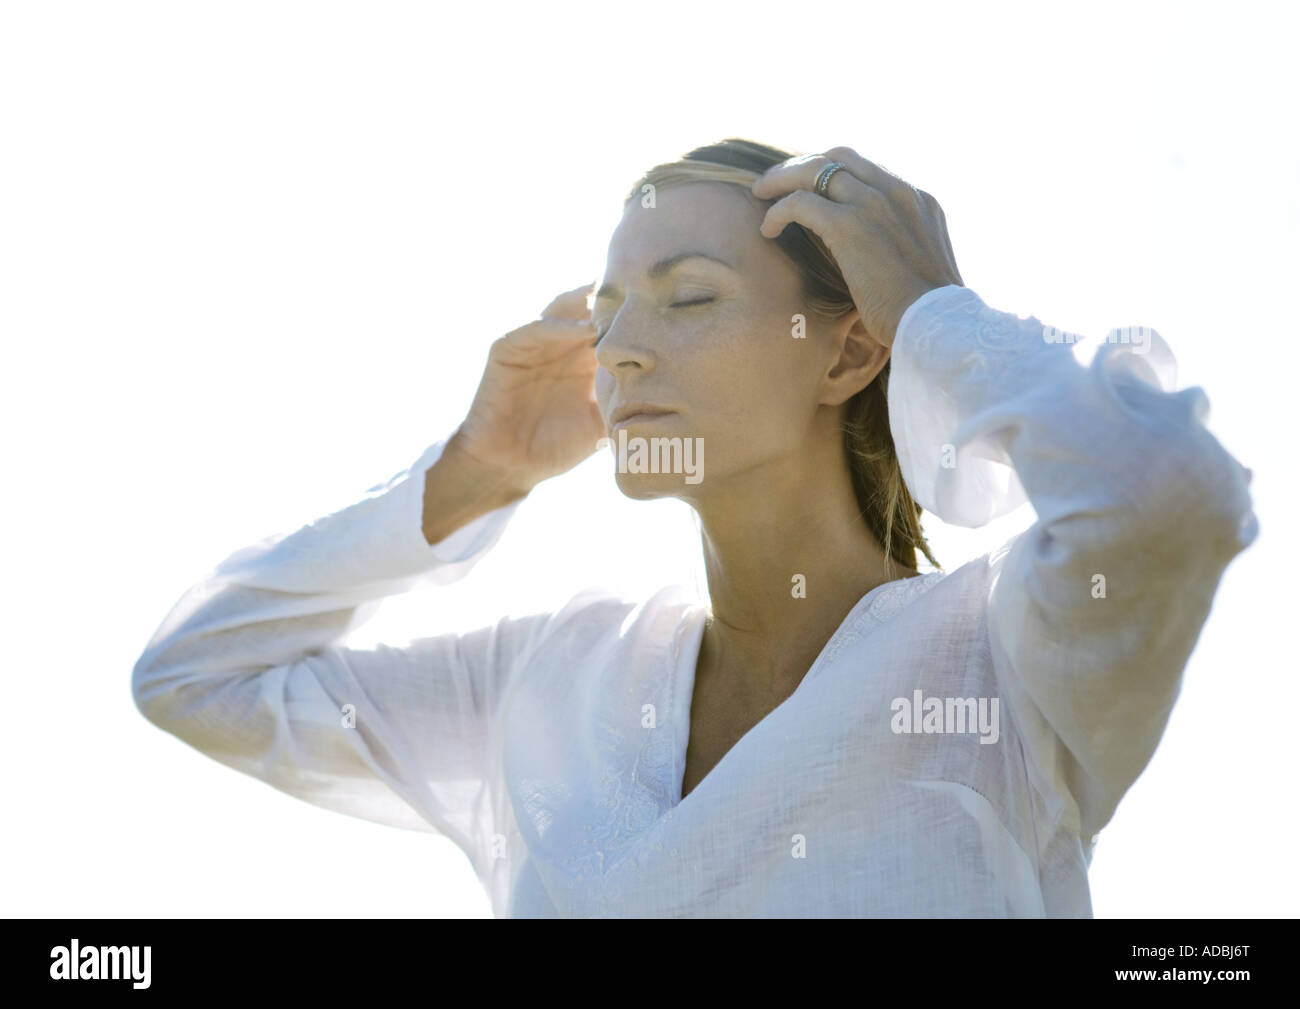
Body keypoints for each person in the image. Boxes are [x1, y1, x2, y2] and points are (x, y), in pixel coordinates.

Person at [131, 138, 1258, 917]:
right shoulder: (547, 680)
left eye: (689, 295)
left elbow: (1170, 494)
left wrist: (929, 309)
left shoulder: (1000, 661)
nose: (618, 348)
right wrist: (473, 472)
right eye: (609, 305)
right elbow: (192, 675)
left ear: (848, 350)